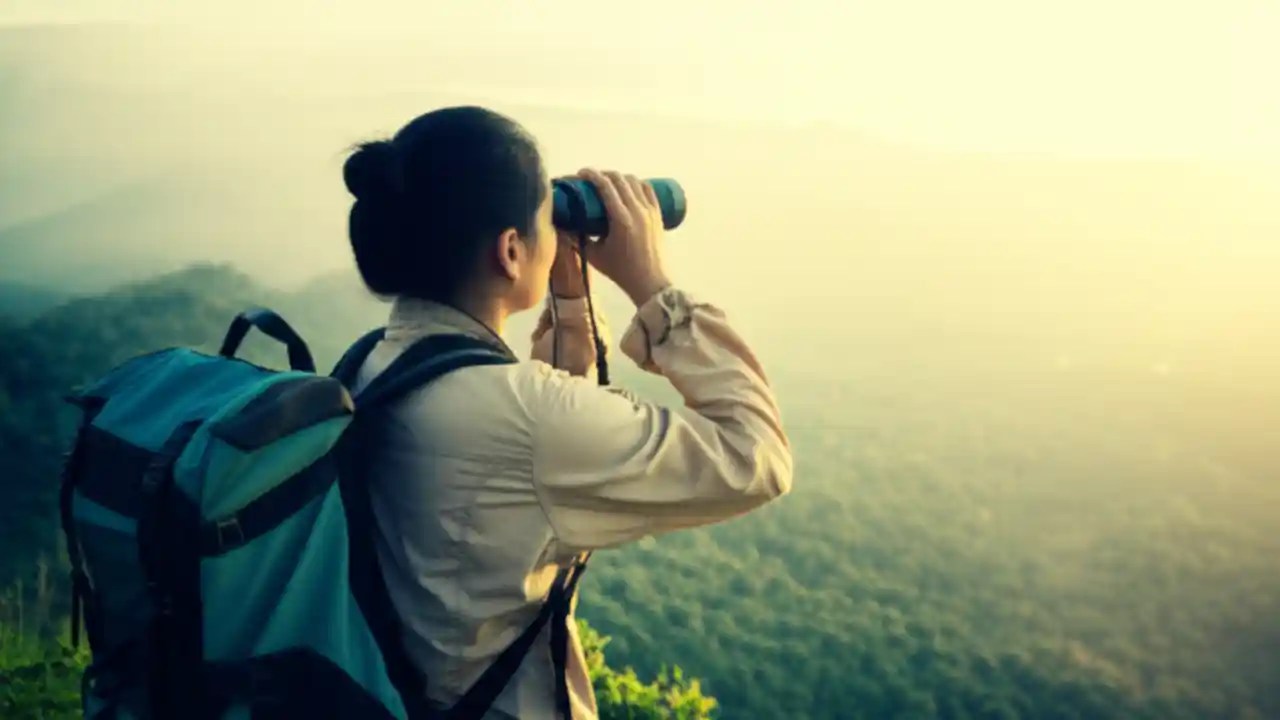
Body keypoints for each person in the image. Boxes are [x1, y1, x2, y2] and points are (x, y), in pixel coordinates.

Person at [342, 105, 792, 719]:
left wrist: (569, 294)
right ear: (509, 251)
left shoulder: (374, 367)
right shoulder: (522, 415)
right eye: (542, 218)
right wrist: (655, 286)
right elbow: (756, 457)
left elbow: (533, 447)